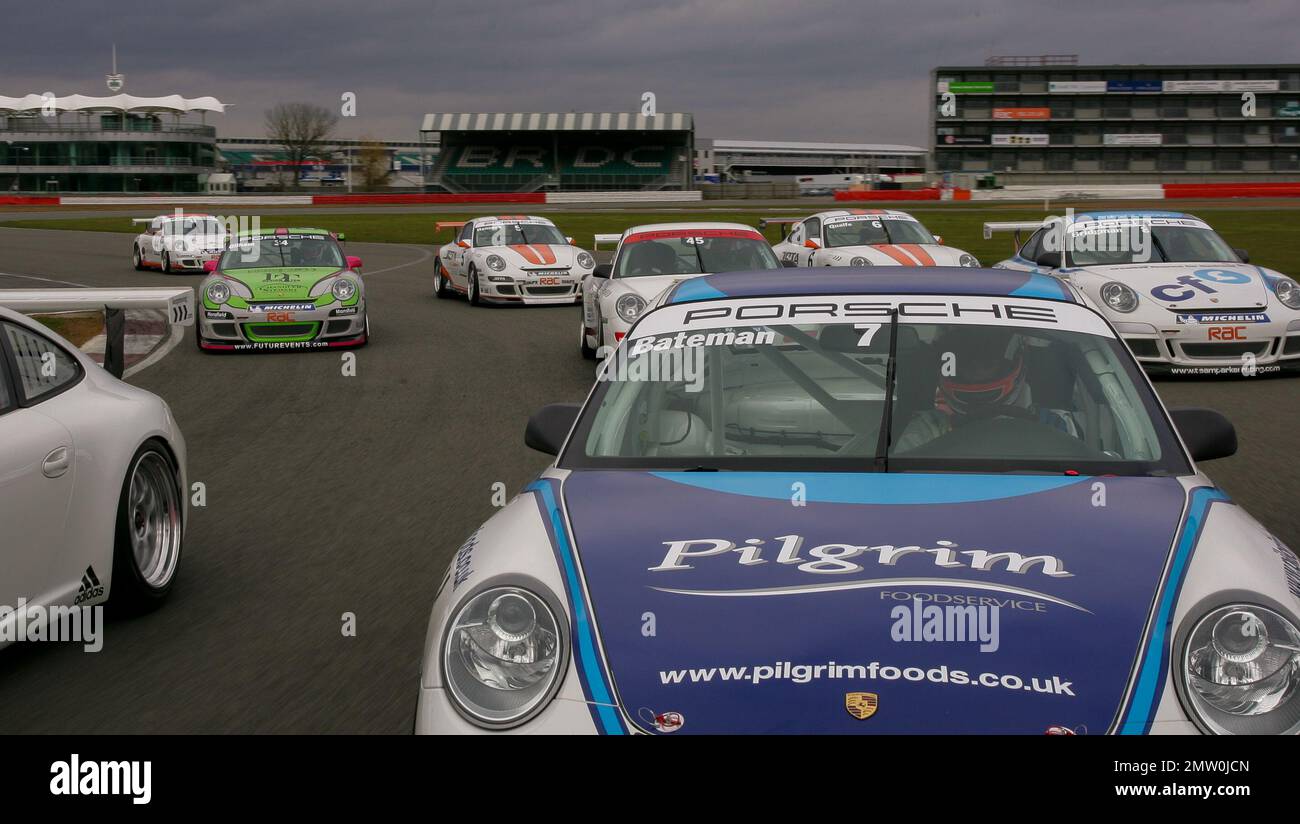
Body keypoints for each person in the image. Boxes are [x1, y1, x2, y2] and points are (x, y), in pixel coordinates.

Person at [894, 327, 1081, 452]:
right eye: (968, 366)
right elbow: (902, 487)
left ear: (1012, 362)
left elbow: (1076, 482)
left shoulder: (1053, 424)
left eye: (987, 364)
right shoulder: (927, 429)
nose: (977, 375)